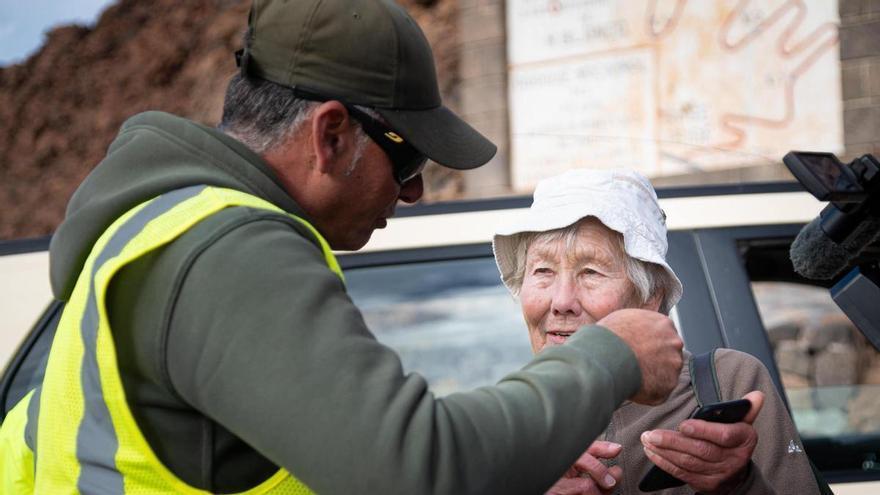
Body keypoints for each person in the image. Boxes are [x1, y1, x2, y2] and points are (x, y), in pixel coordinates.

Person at [0, 1, 685, 494]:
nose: (413, 193)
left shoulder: (159, 227)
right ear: (331, 135)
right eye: (409, 160)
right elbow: (417, 466)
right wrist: (613, 353)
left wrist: (519, 464)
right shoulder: (227, 251)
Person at [492, 168, 821, 494]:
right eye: (543, 270)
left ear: (650, 299)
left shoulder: (729, 381)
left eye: (591, 272)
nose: (562, 301)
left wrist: (737, 484)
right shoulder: (503, 425)